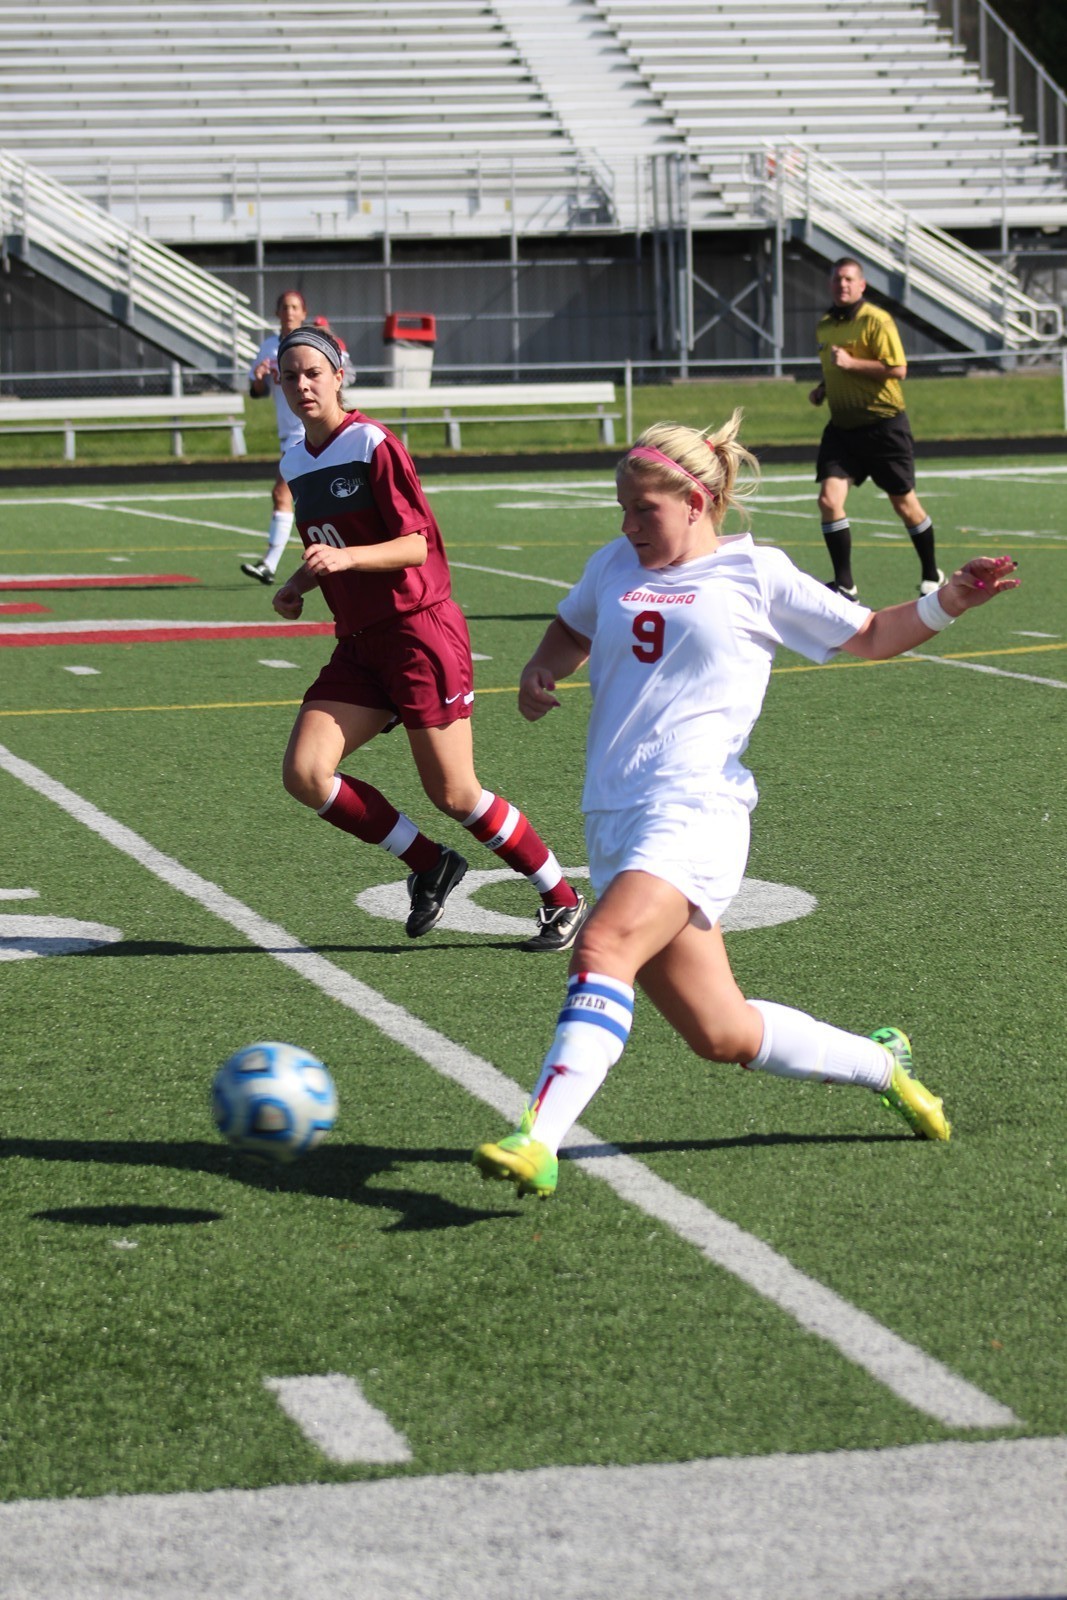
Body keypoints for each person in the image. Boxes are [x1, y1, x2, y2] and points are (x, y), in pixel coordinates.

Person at [472, 411, 1018, 1197]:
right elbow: (571, 626)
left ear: (696, 502)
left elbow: (869, 634)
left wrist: (951, 601)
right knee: (721, 1032)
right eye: (622, 509)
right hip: (612, 817)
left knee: (603, 947)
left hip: (695, 812)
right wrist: (540, 668)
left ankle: (537, 1140)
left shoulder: (756, 573)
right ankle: (881, 1064)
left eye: (643, 510)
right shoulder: (612, 564)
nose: (628, 526)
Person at [268, 322, 589, 952]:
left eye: (313, 373)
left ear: (339, 376)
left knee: (454, 792)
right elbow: (330, 545)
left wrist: (347, 560)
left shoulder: (372, 443)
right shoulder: (295, 461)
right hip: (360, 644)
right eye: (290, 376)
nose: (302, 385)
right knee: (305, 773)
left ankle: (562, 896)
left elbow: (416, 544)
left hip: (419, 633)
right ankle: (430, 863)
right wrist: (298, 585)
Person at [809, 257, 943, 603]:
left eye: (849, 279)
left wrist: (851, 363)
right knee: (828, 501)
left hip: (884, 428)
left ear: (862, 285)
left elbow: (898, 369)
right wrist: (824, 388)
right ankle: (846, 586)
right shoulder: (825, 324)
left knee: (905, 505)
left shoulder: (877, 320)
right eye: (837, 279)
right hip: (843, 431)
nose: (842, 285)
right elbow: (834, 368)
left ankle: (932, 573)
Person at [240, 288, 309, 586]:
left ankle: (269, 564)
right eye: (285, 307)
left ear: (303, 313)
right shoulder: (269, 347)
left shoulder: (310, 343)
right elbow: (257, 392)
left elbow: (344, 374)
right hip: (288, 434)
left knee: (282, 494)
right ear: (277, 313)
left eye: (294, 307)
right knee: (308, 498)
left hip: (307, 430)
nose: (289, 312)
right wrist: (258, 379)